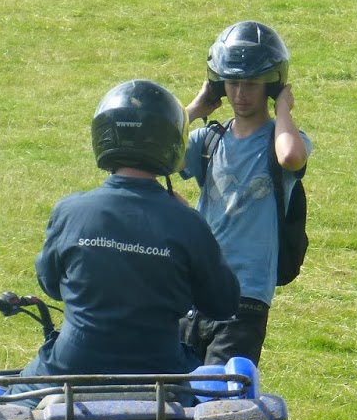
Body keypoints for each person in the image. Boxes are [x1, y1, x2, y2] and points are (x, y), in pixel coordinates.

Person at [24, 79, 239, 378]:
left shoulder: (70, 211)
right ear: (171, 143)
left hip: (68, 372)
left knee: (6, 395)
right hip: (163, 376)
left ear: (103, 135)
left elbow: (49, 284)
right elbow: (223, 303)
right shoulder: (188, 222)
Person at [178, 20, 311, 367]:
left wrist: (284, 110)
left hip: (246, 296)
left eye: (251, 84)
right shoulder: (208, 140)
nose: (240, 94)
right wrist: (196, 108)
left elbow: (291, 157)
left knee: (220, 392)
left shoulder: (282, 141)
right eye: (232, 83)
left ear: (271, 85)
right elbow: (149, 152)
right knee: (173, 389)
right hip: (194, 291)